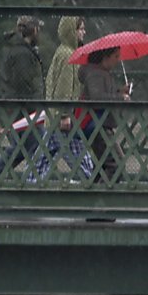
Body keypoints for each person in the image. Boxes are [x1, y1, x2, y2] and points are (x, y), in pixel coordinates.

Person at [29, 16, 97, 182]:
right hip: (62, 118)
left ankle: (29, 182)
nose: (84, 32)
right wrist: (65, 114)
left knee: (42, 158)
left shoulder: (63, 51)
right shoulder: (69, 55)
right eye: (80, 29)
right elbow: (64, 88)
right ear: (72, 32)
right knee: (79, 157)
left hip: (54, 116)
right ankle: (91, 182)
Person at [0, 14, 45, 182]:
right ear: (33, 30)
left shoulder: (19, 50)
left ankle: (30, 179)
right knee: (29, 146)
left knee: (26, 147)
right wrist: (37, 103)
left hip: (20, 108)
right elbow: (25, 83)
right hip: (23, 109)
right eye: (38, 28)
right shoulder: (22, 54)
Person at [75, 44, 131, 184]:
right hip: (97, 124)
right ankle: (99, 197)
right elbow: (97, 98)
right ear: (105, 57)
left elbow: (101, 94)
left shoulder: (98, 73)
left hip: (98, 124)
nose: (118, 60)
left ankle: (94, 194)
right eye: (116, 56)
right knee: (116, 164)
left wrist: (120, 92)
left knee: (104, 164)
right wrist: (120, 98)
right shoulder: (96, 74)